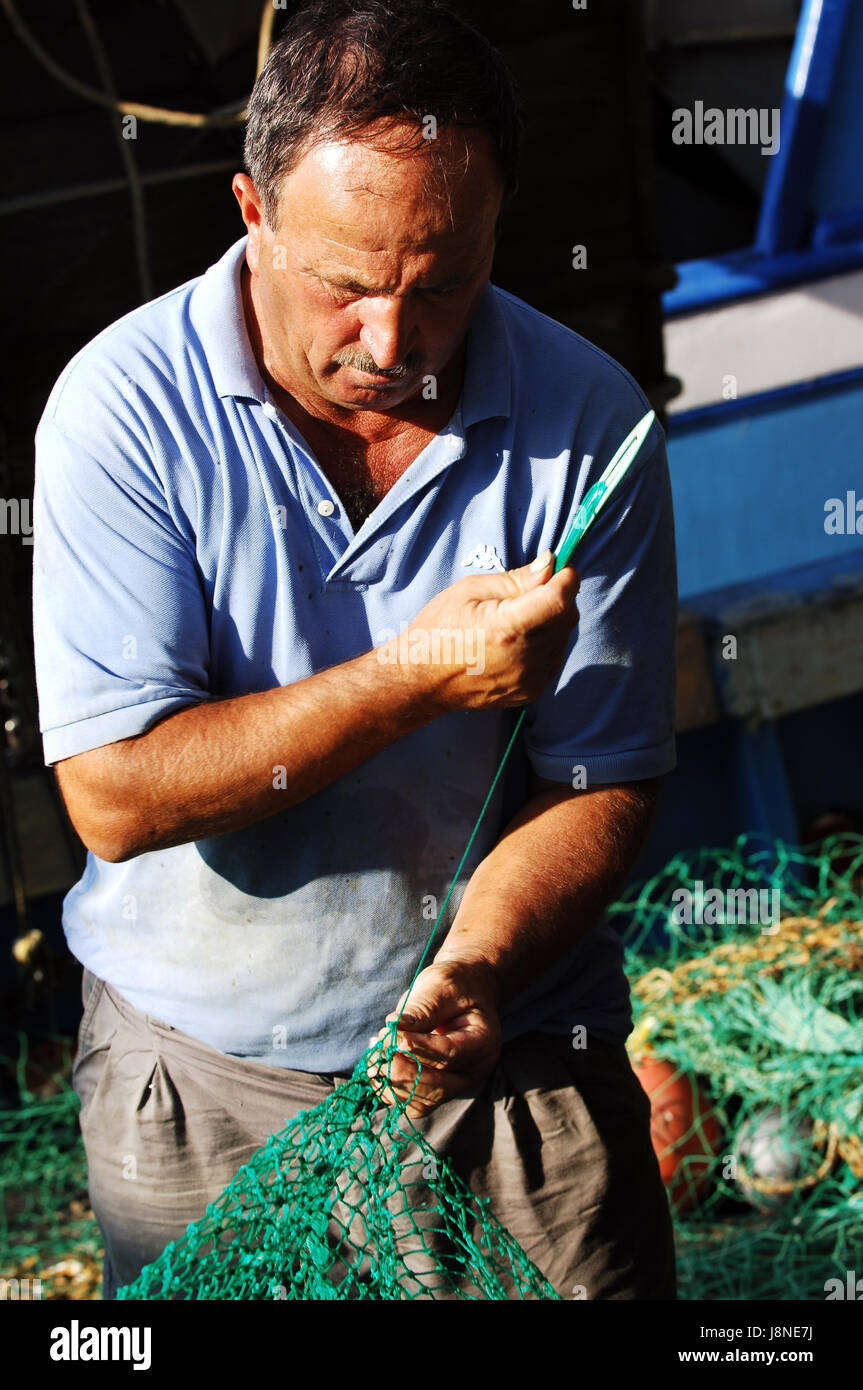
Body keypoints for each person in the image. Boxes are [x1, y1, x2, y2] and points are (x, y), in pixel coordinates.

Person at [32, 0, 678, 1299]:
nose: (391, 342)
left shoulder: (591, 423)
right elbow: (113, 796)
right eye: (345, 283)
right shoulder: (120, 413)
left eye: (440, 279)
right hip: (201, 1085)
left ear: (500, 219)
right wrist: (412, 678)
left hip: (513, 1065)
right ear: (252, 213)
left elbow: (600, 777)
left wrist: (478, 969)